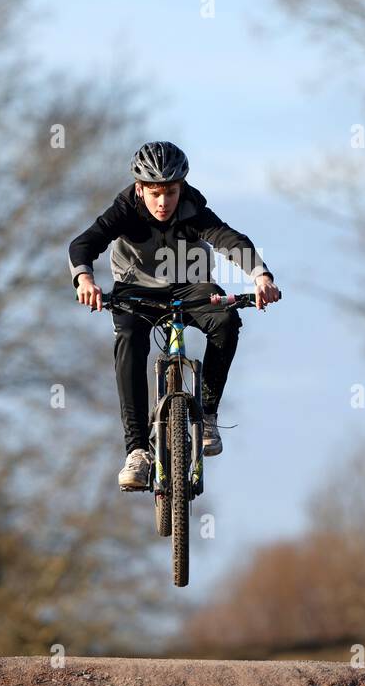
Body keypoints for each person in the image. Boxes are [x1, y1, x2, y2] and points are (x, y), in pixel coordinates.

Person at [68, 141, 282, 490]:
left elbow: (229, 240)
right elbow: (84, 243)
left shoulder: (192, 208)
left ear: (181, 187)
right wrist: (85, 279)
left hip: (189, 283)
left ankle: (208, 416)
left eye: (170, 192)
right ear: (140, 189)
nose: (163, 202)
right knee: (129, 341)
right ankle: (137, 451)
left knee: (226, 321)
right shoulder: (124, 208)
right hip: (136, 288)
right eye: (154, 193)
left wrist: (261, 276)